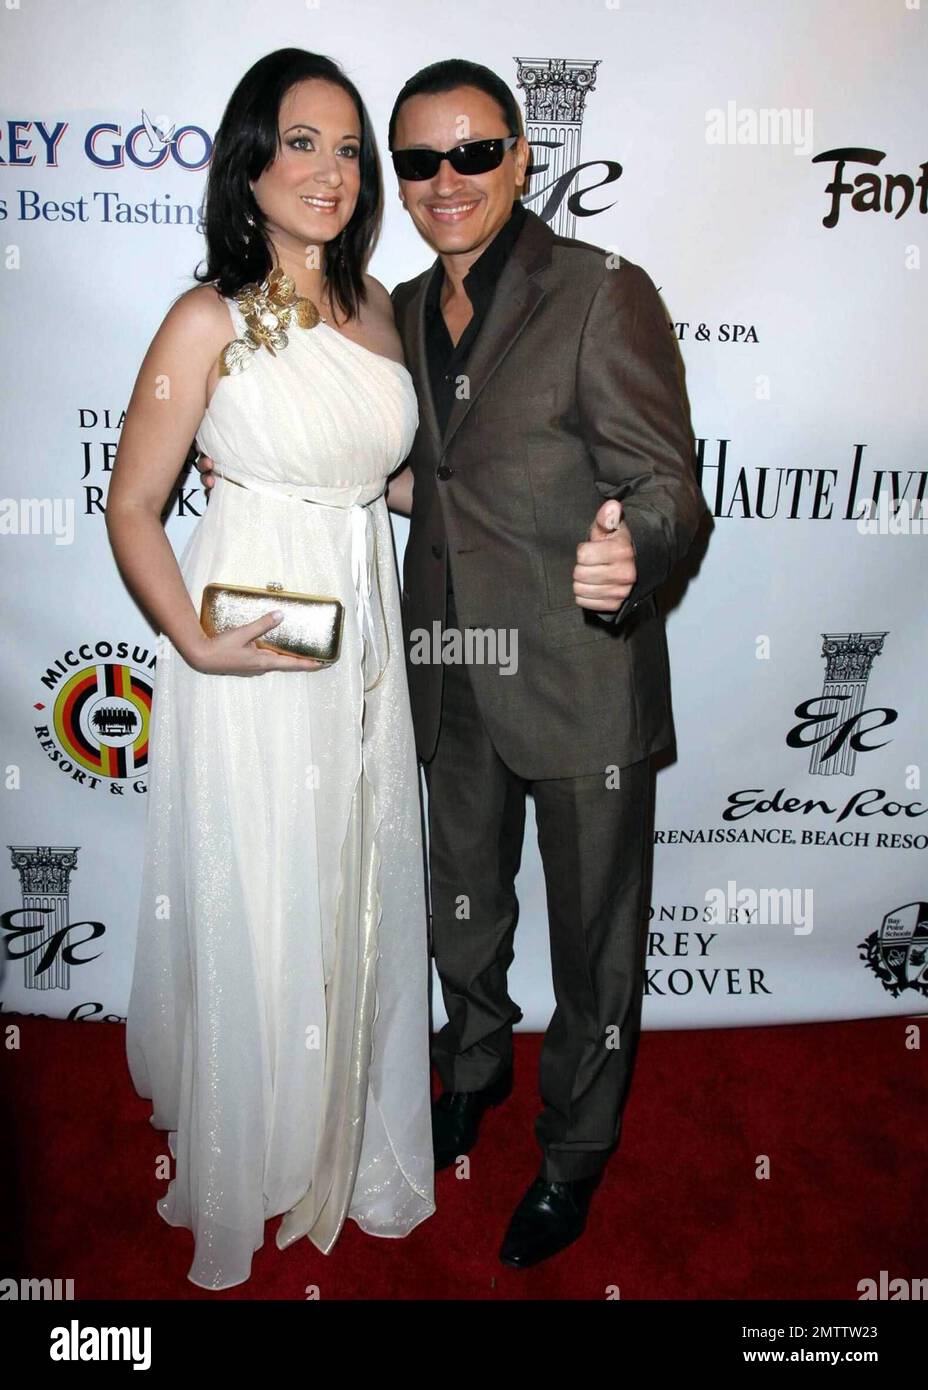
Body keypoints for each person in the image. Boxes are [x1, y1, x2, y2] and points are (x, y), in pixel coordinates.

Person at [200, 57, 707, 1270]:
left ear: (520, 160)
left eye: (473, 153)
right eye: (418, 159)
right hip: (445, 674)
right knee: (462, 922)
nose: (445, 181)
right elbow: (439, 477)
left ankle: (574, 1152)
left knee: (594, 947)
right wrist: (283, 476)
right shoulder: (399, 309)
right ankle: (470, 1075)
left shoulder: (601, 290)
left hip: (582, 679)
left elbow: (670, 485)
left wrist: (631, 548)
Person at [107, 47, 434, 1291]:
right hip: (252, 637)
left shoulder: (379, 306)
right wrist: (190, 639)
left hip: (360, 618)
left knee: (351, 863)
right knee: (262, 875)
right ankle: (258, 1135)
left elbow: (390, 480)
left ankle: (339, 1125)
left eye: (349, 148)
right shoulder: (208, 318)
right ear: (251, 160)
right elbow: (134, 502)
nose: (334, 171)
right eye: (304, 142)